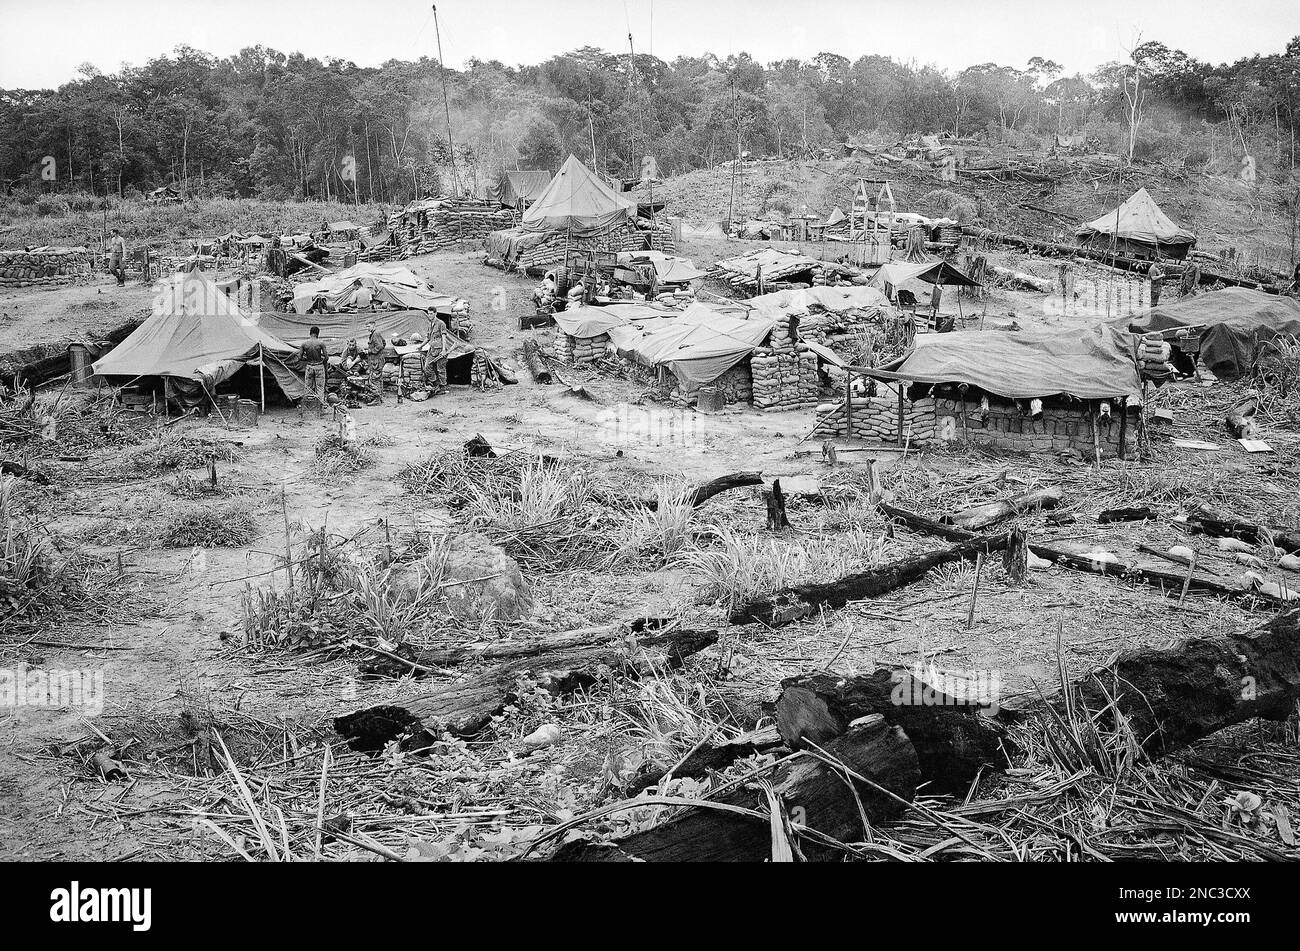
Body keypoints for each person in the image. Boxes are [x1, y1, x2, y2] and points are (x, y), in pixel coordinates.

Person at [298, 326, 329, 419]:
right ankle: (320, 409)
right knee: (320, 388)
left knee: (308, 388)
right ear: (318, 333)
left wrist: (307, 359)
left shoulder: (304, 344)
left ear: (310, 333)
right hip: (319, 366)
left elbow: (299, 358)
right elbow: (326, 357)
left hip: (309, 366)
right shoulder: (321, 343)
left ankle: (307, 408)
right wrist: (321, 362)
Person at [364, 320, 386, 404]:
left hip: (376, 361)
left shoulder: (375, 334)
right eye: (366, 326)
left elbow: (380, 346)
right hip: (377, 360)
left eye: (368, 326)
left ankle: (377, 399)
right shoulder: (375, 334)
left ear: (373, 325)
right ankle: (380, 398)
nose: (367, 328)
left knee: (374, 379)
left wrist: (370, 351)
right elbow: (384, 343)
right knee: (378, 379)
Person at [425, 322, 448, 394]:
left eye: (431, 315)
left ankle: (442, 387)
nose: (430, 316)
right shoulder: (429, 324)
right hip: (432, 350)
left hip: (440, 349)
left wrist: (443, 349)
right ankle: (435, 383)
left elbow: (444, 337)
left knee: (441, 369)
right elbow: (428, 338)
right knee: (427, 366)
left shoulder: (441, 324)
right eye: (429, 315)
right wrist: (421, 346)